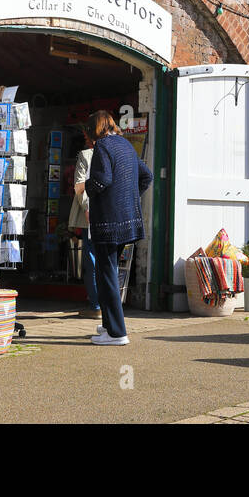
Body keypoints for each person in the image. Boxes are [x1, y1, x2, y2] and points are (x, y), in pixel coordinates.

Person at [84, 109, 152, 346]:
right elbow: (147, 176)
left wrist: (87, 187)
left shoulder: (103, 146)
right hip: (128, 220)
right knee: (108, 273)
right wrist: (129, 197)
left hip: (108, 222)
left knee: (107, 276)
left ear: (95, 129)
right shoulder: (125, 145)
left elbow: (102, 180)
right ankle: (108, 326)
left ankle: (117, 332)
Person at [67, 126, 101, 318]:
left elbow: (79, 185)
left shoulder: (86, 155)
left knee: (93, 260)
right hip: (110, 215)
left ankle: (96, 306)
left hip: (91, 217)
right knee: (107, 261)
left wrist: (87, 207)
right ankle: (106, 304)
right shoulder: (118, 154)